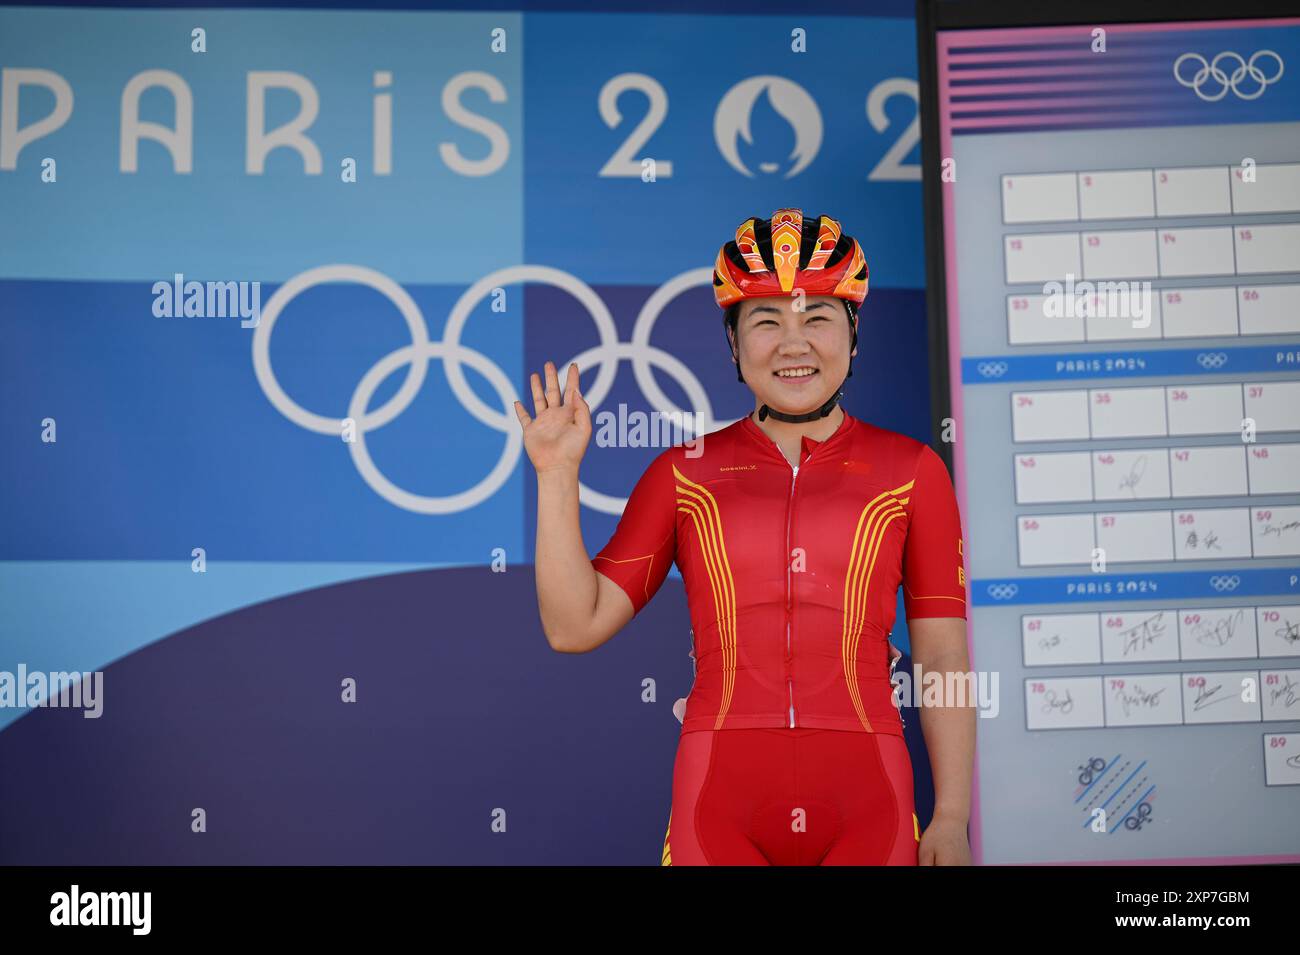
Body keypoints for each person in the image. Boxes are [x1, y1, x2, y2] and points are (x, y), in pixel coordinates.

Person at [515, 208, 974, 866]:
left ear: (853, 334)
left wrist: (952, 813)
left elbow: (944, 661)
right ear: (733, 344)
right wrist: (557, 476)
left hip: (868, 792)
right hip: (718, 795)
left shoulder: (912, 471)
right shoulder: (684, 472)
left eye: (817, 317)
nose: (794, 344)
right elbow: (573, 624)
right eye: (766, 322)